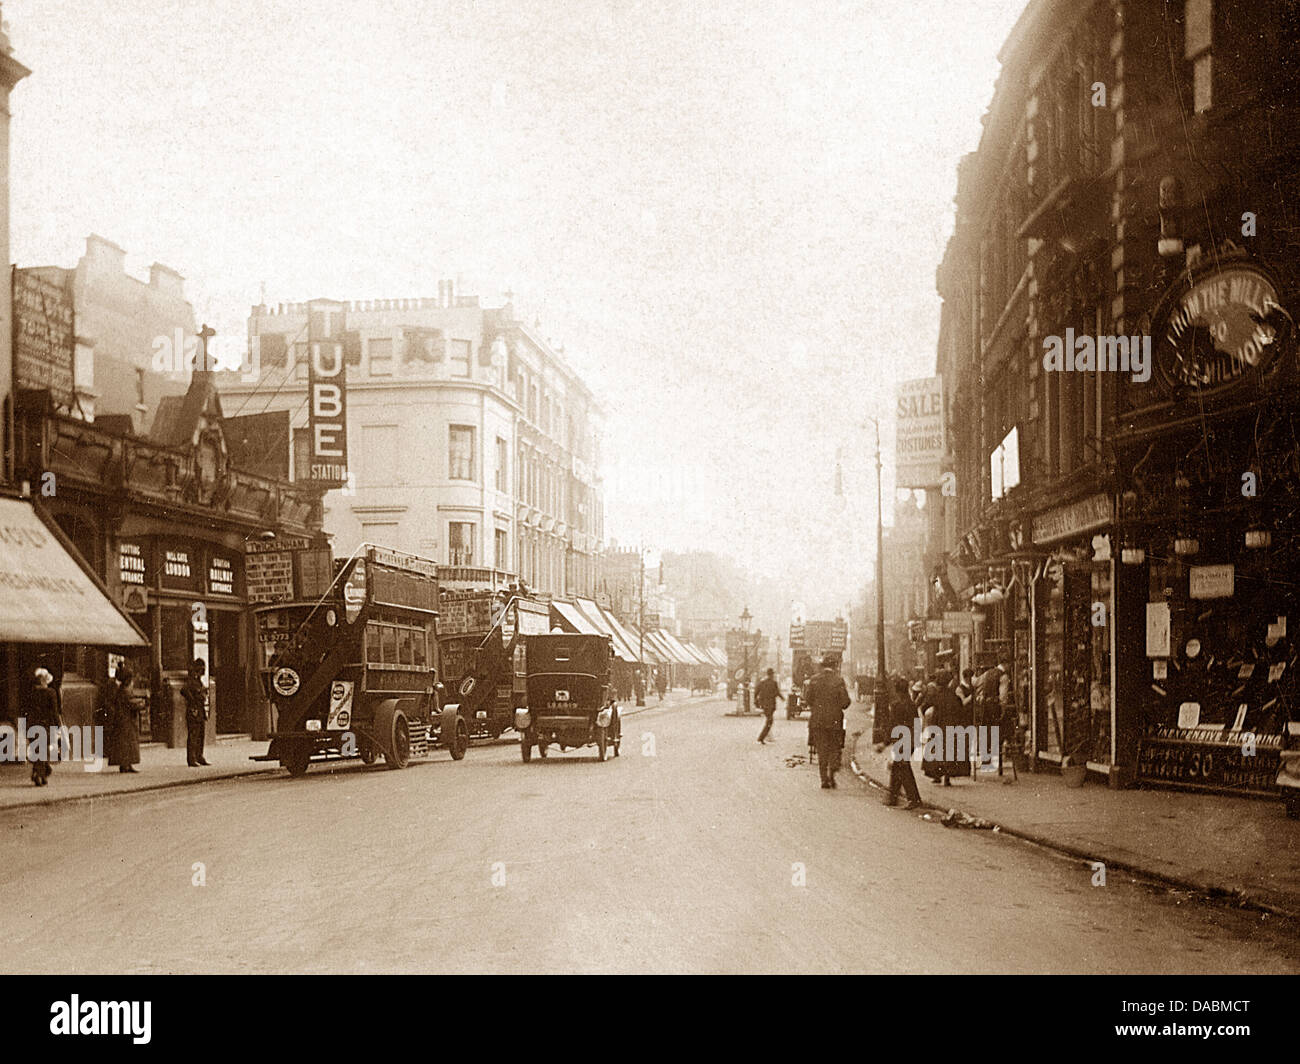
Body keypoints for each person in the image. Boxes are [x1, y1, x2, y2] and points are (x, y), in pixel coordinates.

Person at [805, 653, 850, 789]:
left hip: (818, 721)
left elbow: (808, 700)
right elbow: (845, 702)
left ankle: (824, 778)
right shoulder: (839, 681)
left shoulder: (814, 680)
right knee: (834, 748)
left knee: (821, 749)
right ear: (835, 667)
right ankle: (832, 773)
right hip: (835, 721)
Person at [879, 676, 922, 808]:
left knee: (903, 769)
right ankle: (893, 797)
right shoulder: (912, 705)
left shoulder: (896, 706)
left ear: (897, 691)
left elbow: (892, 726)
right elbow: (917, 724)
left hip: (901, 741)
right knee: (898, 767)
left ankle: (914, 799)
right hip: (910, 741)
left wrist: (884, 743)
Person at [25, 668, 61, 786]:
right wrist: (58, 726)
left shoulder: (31, 692)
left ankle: (42, 774)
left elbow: (27, 710)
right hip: (46, 725)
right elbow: (54, 711)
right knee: (43, 750)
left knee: (37, 750)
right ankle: (40, 774)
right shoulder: (51, 693)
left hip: (33, 725)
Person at [102, 664, 140, 774]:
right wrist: (141, 704)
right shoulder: (124, 691)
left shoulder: (121, 690)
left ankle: (127, 764)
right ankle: (125, 764)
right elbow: (131, 703)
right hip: (125, 720)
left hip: (122, 720)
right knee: (126, 743)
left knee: (126, 743)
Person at [182, 658, 211, 767]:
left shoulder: (198, 681)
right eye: (202, 668)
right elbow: (183, 690)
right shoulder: (191, 681)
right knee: (193, 735)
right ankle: (192, 758)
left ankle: (199, 756)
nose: (203, 671)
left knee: (200, 734)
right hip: (194, 710)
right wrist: (193, 700)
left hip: (200, 711)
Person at [755, 668, 784, 743]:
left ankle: (764, 737)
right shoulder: (774, 683)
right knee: (770, 721)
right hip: (771, 705)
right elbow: (777, 692)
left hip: (764, 704)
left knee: (769, 720)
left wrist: (756, 701)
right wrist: (782, 698)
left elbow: (756, 691)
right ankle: (761, 737)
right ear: (771, 675)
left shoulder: (762, 683)